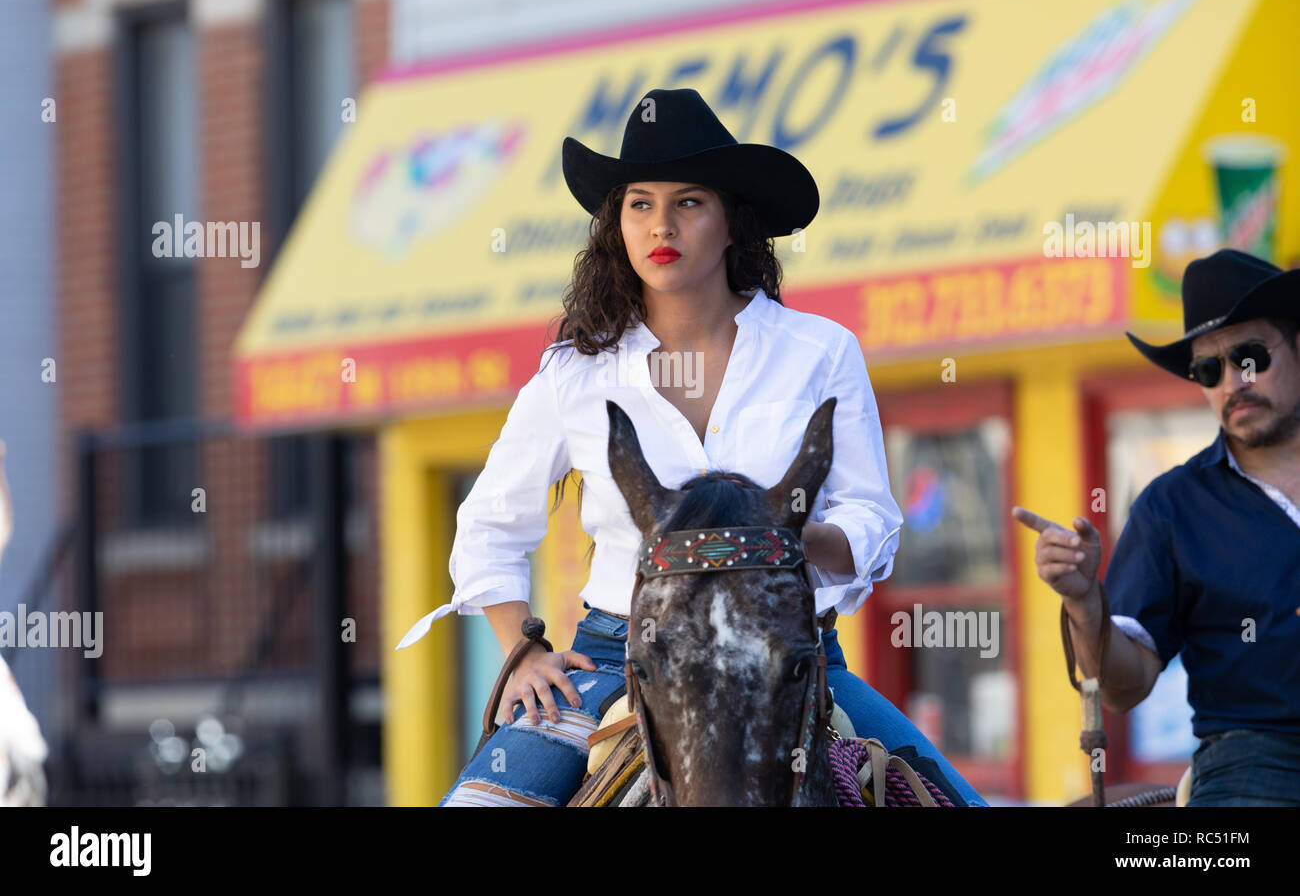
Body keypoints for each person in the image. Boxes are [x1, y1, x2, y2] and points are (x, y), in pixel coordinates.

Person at [400, 88, 986, 806]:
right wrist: (521, 650)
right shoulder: (576, 373)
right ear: (616, 224)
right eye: (639, 203)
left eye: (688, 203)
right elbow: (489, 523)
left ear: (732, 221)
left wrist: (788, 544)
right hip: (621, 659)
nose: (661, 225)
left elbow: (871, 517)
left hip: (791, 664)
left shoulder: (820, 351)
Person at [1013, 248, 1300, 806]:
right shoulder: (1171, 506)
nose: (1231, 382)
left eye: (1248, 356)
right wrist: (1083, 603)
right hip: (1256, 764)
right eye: (1208, 369)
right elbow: (1124, 688)